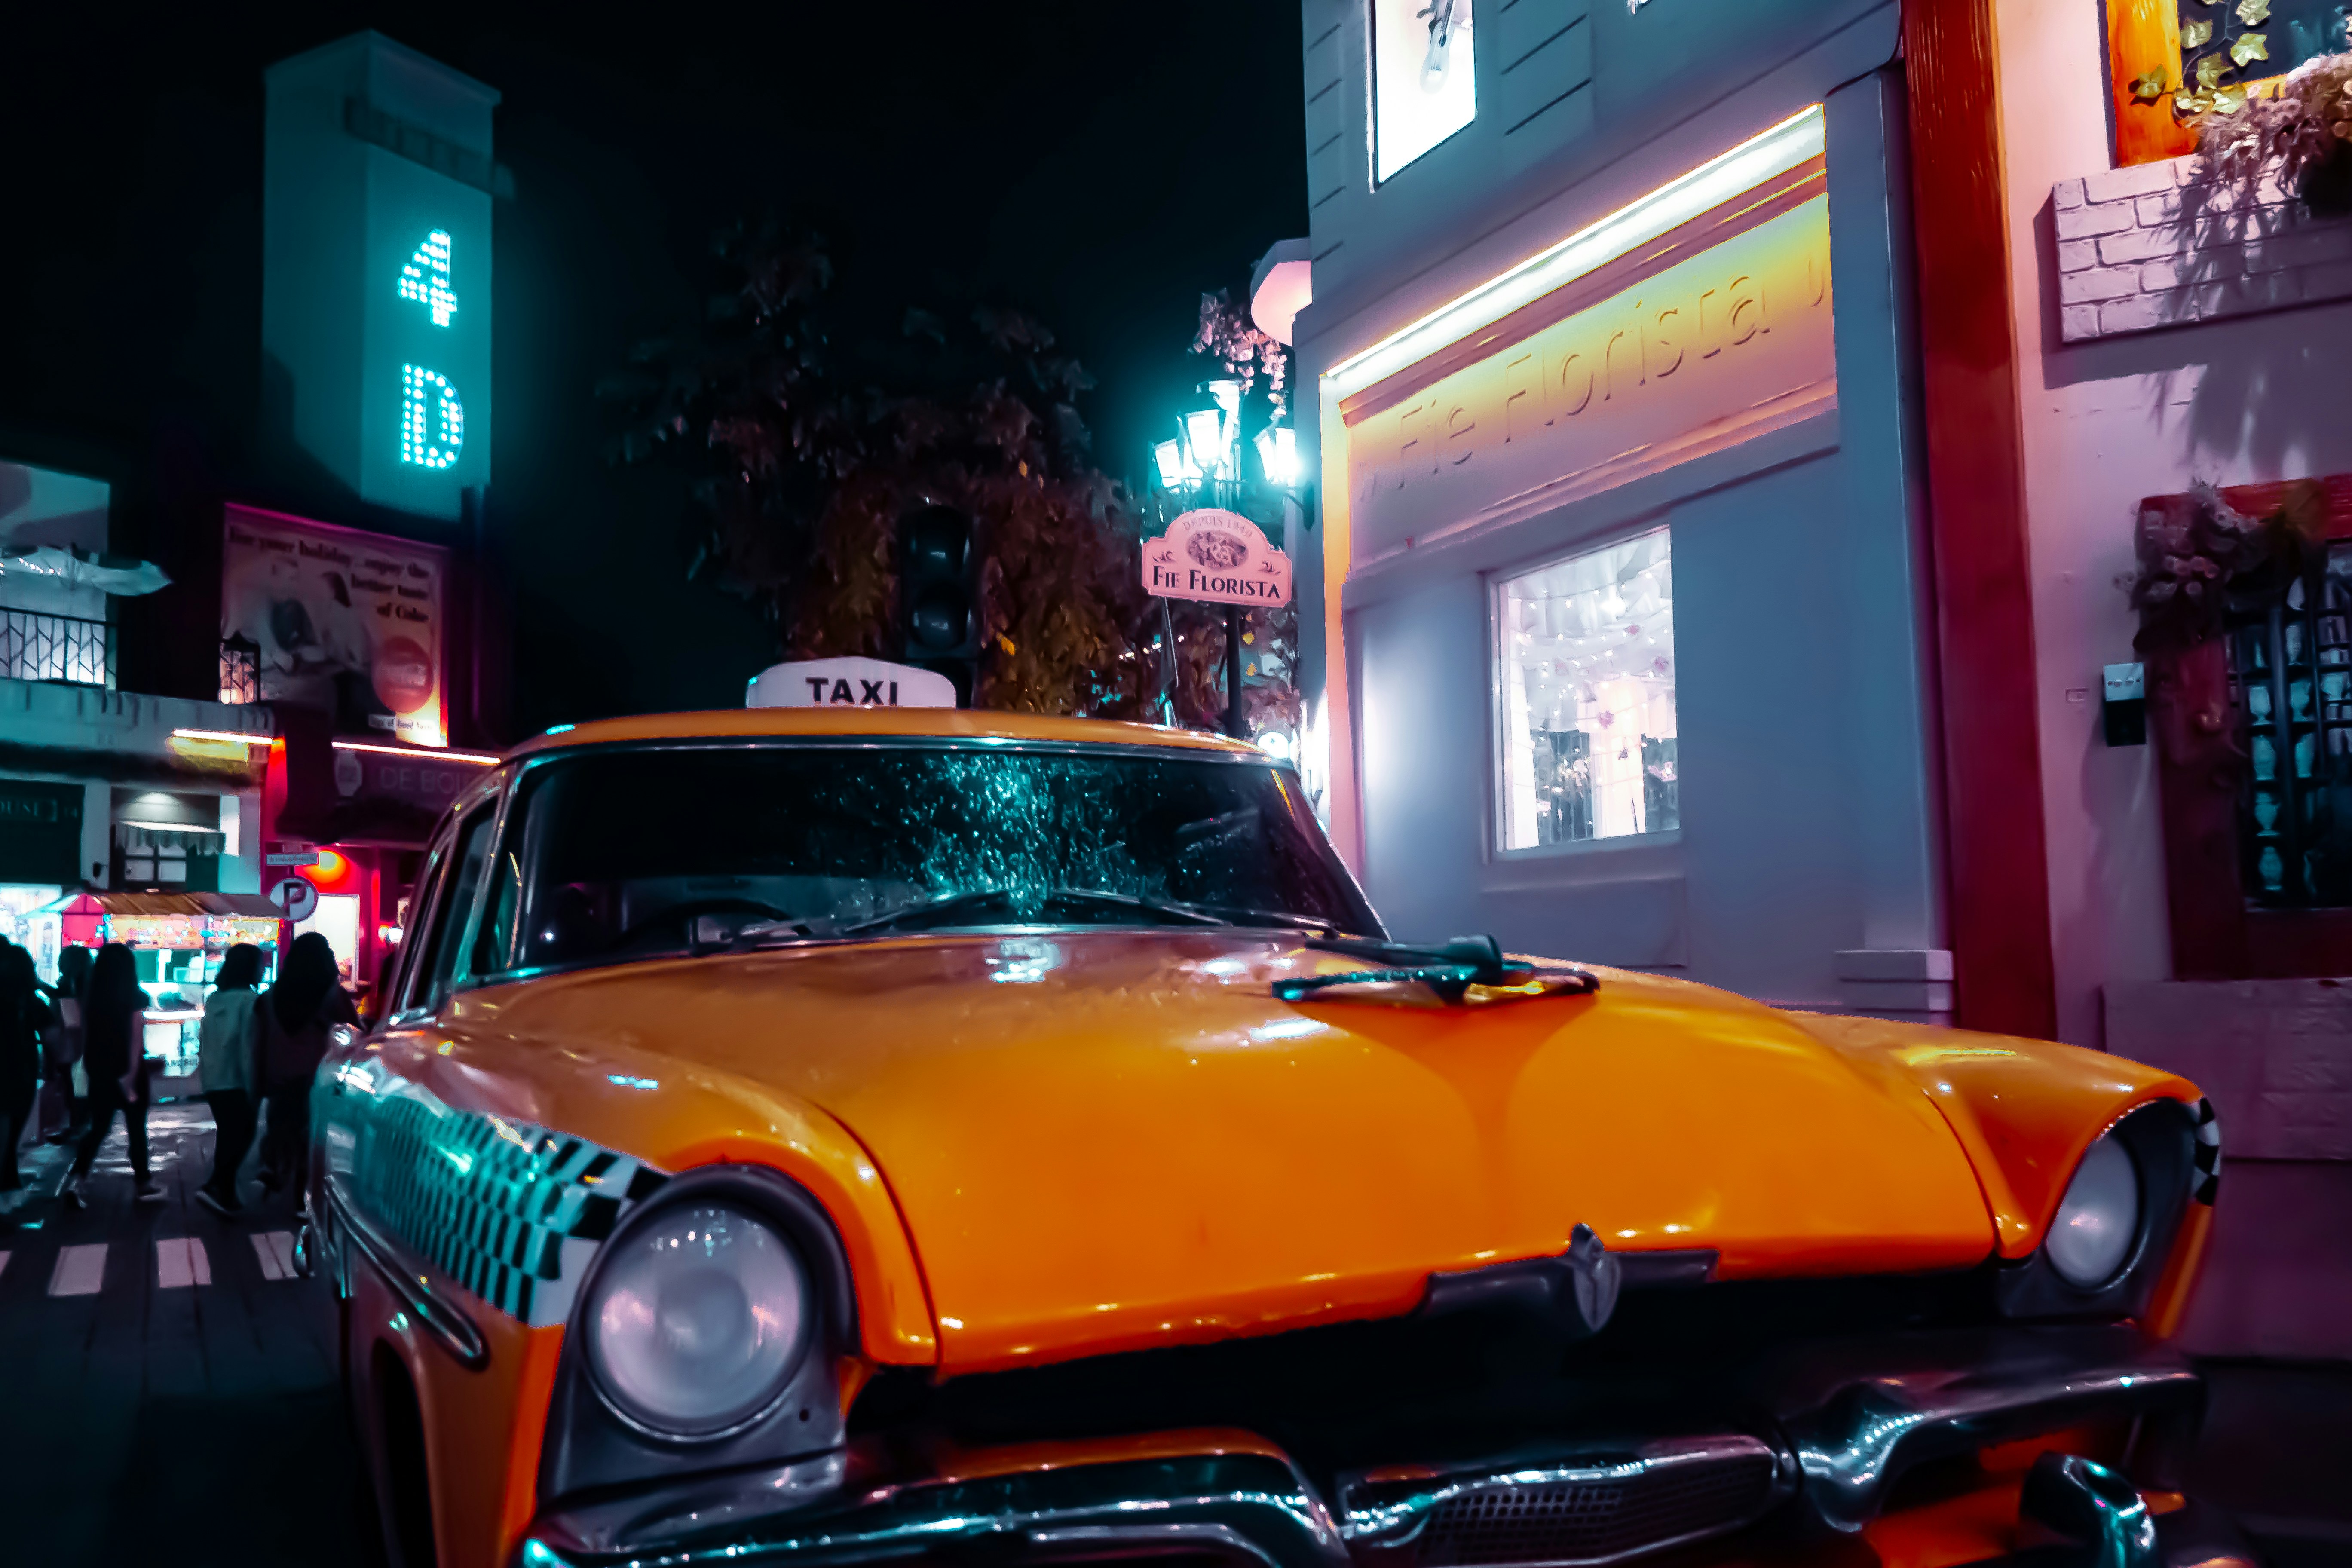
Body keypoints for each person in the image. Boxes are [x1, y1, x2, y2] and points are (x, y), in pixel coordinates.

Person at [257, 931, 355, 1204]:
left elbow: (260, 1037)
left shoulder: (271, 996)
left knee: (281, 1125)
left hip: (279, 1075)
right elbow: (354, 1032)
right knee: (310, 1135)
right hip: (315, 1077)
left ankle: (275, 1165)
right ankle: (303, 1195)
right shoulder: (332, 995)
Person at [65, 942, 159, 1207]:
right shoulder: (136, 998)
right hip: (128, 1072)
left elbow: (85, 1036)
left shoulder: (91, 999)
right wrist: (129, 1079)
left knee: (97, 1128)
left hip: (99, 1069)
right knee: (136, 1129)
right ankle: (143, 1183)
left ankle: (76, 1180)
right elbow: (135, 1042)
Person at [194, 944, 266, 1218]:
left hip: (214, 1078)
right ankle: (221, 1190)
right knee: (242, 1135)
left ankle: (217, 1186)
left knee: (229, 1134)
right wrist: (253, 1086)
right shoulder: (250, 1001)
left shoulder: (215, 999)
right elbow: (247, 1048)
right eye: (260, 965)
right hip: (236, 1079)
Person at [0, 942, 52, 1190]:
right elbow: (53, 1037)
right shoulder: (30, 1002)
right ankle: (8, 1175)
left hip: (18, 1071)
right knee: (12, 1125)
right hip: (20, 1071)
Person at [43, 945, 93, 1144]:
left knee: (73, 1085)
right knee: (78, 1085)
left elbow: (66, 1008)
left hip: (70, 1041)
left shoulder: (71, 984)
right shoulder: (87, 982)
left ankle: (76, 1126)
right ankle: (78, 1124)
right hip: (82, 1041)